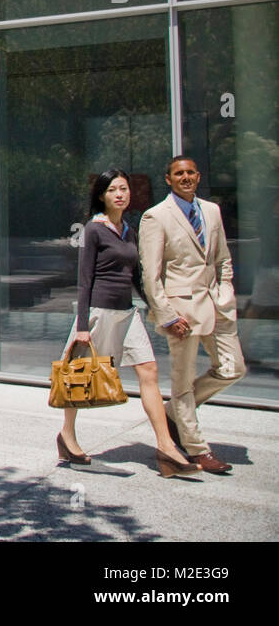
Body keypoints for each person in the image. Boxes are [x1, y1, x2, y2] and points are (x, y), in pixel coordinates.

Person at [57, 169, 198, 477]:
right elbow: (84, 281)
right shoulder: (93, 230)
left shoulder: (129, 230)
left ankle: (166, 448)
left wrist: (163, 313)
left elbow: (137, 280)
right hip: (98, 313)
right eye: (112, 190)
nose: (120, 194)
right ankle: (67, 435)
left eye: (123, 189)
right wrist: (82, 326)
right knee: (79, 377)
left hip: (127, 313)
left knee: (149, 370)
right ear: (101, 196)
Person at [138, 155, 245, 474]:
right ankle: (197, 449)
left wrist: (225, 292)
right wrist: (167, 314)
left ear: (198, 177)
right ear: (168, 179)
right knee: (182, 382)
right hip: (180, 311)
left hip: (216, 306)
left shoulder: (211, 211)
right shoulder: (155, 217)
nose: (185, 177)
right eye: (178, 173)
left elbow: (223, 259)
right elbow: (150, 274)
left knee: (232, 368)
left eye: (190, 173)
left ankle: (173, 413)